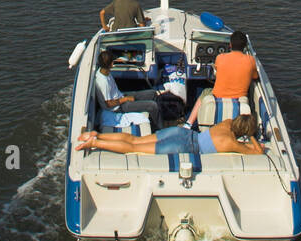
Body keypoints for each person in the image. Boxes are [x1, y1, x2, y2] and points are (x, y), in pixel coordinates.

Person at [76, 113, 263, 156]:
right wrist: (252, 135)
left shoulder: (227, 123)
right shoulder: (231, 143)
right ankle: (95, 143)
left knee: (136, 140)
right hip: (185, 147)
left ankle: (97, 135)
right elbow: (258, 152)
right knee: (133, 148)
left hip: (183, 132)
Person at [186, 29, 259, 127]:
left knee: (205, 92)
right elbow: (255, 76)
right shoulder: (251, 60)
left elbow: (216, 70)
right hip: (239, 97)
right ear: (244, 47)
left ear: (230, 45)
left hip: (218, 95)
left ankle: (188, 123)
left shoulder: (220, 57)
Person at [93, 50, 163, 129]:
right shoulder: (103, 82)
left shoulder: (104, 71)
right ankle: (159, 129)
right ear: (111, 64)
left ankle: (156, 119)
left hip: (121, 96)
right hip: (117, 107)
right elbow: (109, 104)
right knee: (153, 106)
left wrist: (124, 97)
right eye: (113, 61)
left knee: (153, 93)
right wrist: (125, 99)